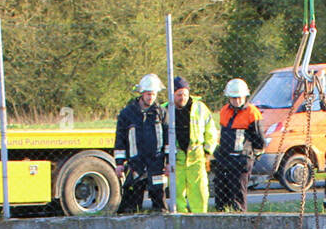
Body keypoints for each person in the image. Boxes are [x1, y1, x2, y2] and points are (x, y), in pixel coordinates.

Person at [114, 74, 170, 213]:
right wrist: (119, 163)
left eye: (153, 94)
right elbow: (120, 139)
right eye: (148, 94)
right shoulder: (127, 114)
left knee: (160, 203)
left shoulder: (161, 113)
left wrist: (169, 162)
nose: (151, 97)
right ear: (141, 93)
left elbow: (168, 140)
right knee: (131, 203)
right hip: (135, 163)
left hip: (156, 163)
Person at [213, 78, 266, 211]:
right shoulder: (224, 111)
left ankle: (240, 218)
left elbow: (259, 140)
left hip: (241, 159)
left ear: (245, 96)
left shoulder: (252, 113)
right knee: (220, 192)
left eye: (239, 98)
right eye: (234, 98)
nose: (237, 101)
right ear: (229, 97)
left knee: (238, 194)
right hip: (225, 158)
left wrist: (251, 156)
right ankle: (222, 216)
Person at [172, 76, 220, 212]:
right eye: (179, 94)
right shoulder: (166, 109)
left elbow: (211, 130)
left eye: (185, 94)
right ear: (173, 94)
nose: (182, 98)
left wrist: (207, 151)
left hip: (196, 154)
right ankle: (180, 216)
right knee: (177, 189)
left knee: (199, 189)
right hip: (176, 156)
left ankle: (200, 216)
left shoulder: (199, 107)